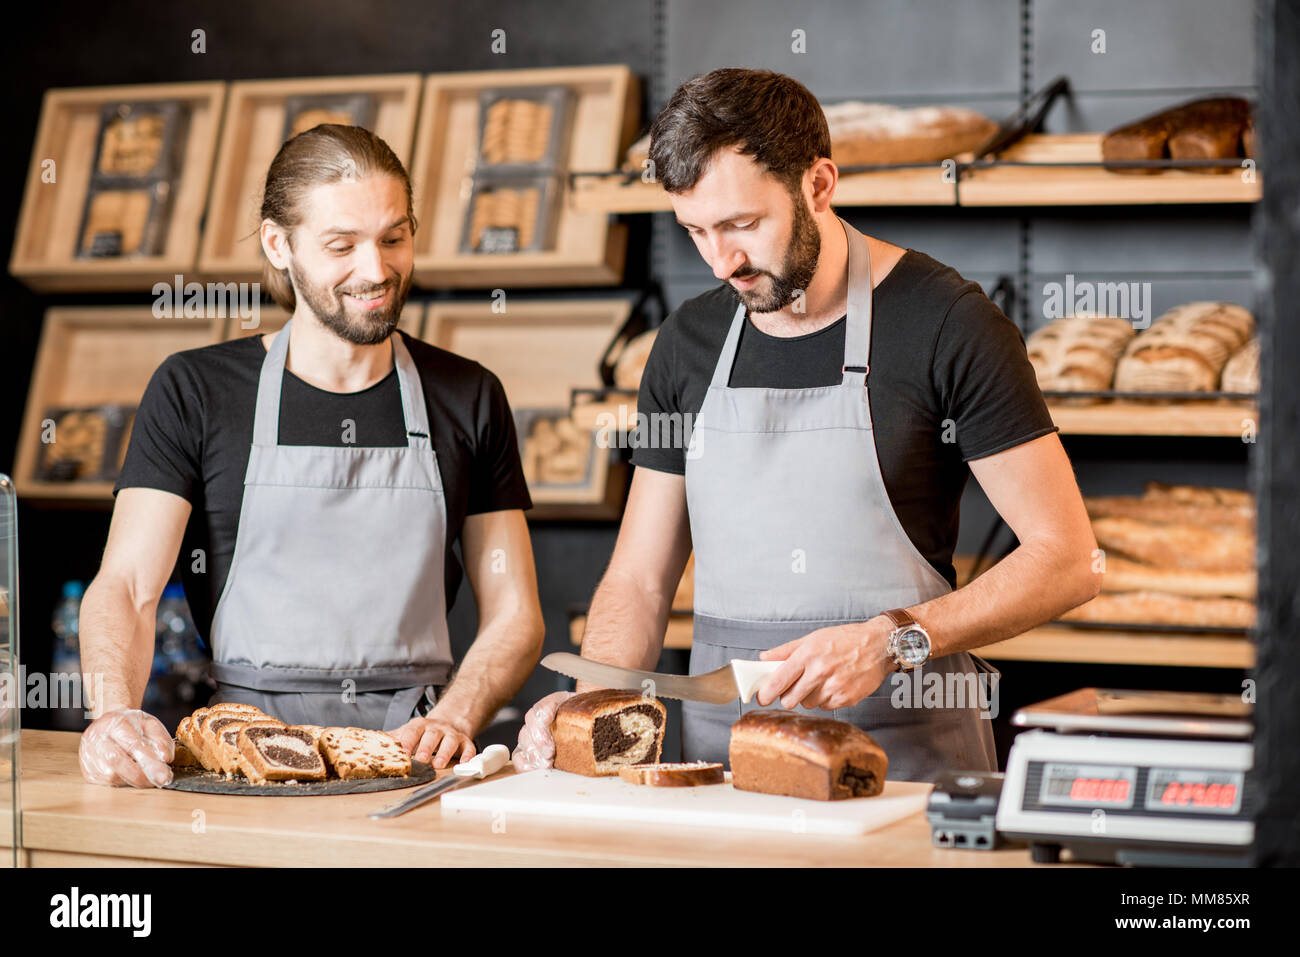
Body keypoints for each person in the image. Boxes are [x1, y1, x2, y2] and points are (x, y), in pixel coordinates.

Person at [513, 69, 1102, 781]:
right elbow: (639, 578)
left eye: (741, 224)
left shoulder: (947, 323)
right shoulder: (687, 344)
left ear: (818, 184)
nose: (722, 261)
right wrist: (590, 708)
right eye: (696, 230)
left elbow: (1069, 560)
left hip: (904, 766)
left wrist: (894, 641)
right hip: (720, 765)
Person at [78, 125, 544, 788]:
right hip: (240, 755)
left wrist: (458, 714)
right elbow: (126, 586)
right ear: (279, 243)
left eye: (394, 236)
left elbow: (515, 609)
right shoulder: (198, 390)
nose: (377, 269)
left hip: (410, 755)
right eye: (341, 245)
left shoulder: (467, 395)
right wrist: (114, 713)